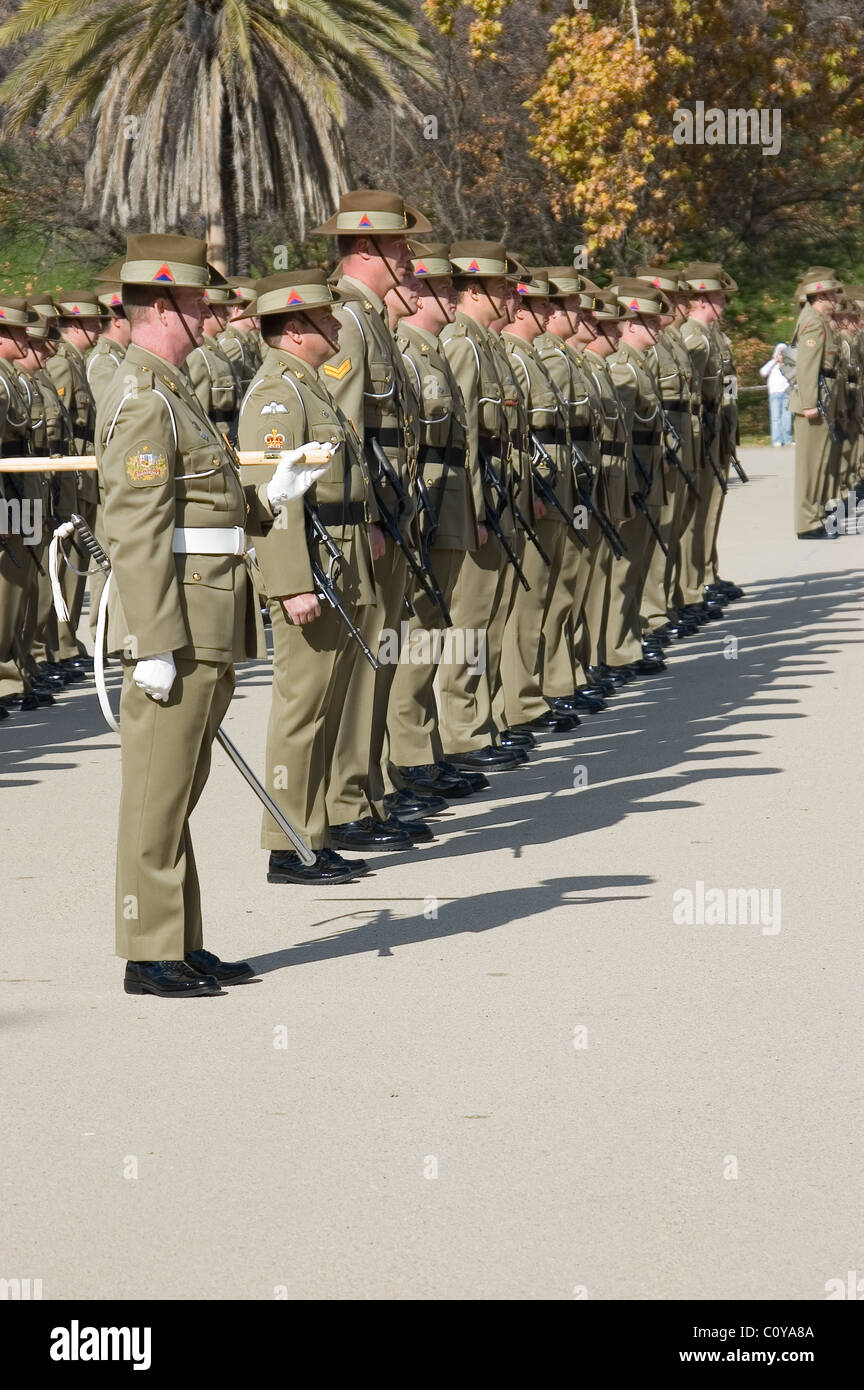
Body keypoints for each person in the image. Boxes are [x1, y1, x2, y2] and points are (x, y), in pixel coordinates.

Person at [97, 233, 331, 998]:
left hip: (209, 616)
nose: (211, 315)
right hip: (178, 625)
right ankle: (148, 952)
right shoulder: (143, 400)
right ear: (163, 305)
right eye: (200, 302)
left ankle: (181, 941)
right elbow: (133, 530)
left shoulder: (175, 389)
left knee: (180, 788)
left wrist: (274, 499)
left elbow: (211, 509)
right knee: (155, 795)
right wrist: (154, 640)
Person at [236, 269, 380, 885]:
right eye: (325, 318)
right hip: (311, 564)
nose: (336, 325)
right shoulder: (278, 394)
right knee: (302, 708)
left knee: (326, 706)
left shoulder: (309, 387)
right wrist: (292, 582)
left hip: (339, 555)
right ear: (294, 329)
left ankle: (311, 834)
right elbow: (274, 497)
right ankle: (288, 842)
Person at [760, 344, 794, 447]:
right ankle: (777, 440)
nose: (781, 354)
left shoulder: (788, 364)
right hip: (774, 393)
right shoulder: (772, 364)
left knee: (787, 417)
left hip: (786, 393)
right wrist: (774, 361)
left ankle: (787, 440)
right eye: (779, 352)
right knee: (776, 418)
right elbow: (762, 372)